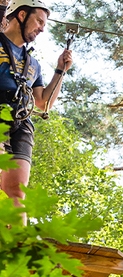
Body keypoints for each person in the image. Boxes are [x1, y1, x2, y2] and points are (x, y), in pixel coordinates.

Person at [0, 0, 71, 214]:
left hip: (21, 122)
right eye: (39, 21)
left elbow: (43, 103)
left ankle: (17, 234)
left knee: (17, 191)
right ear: (22, 15)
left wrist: (60, 70)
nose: (42, 29)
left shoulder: (33, 64)